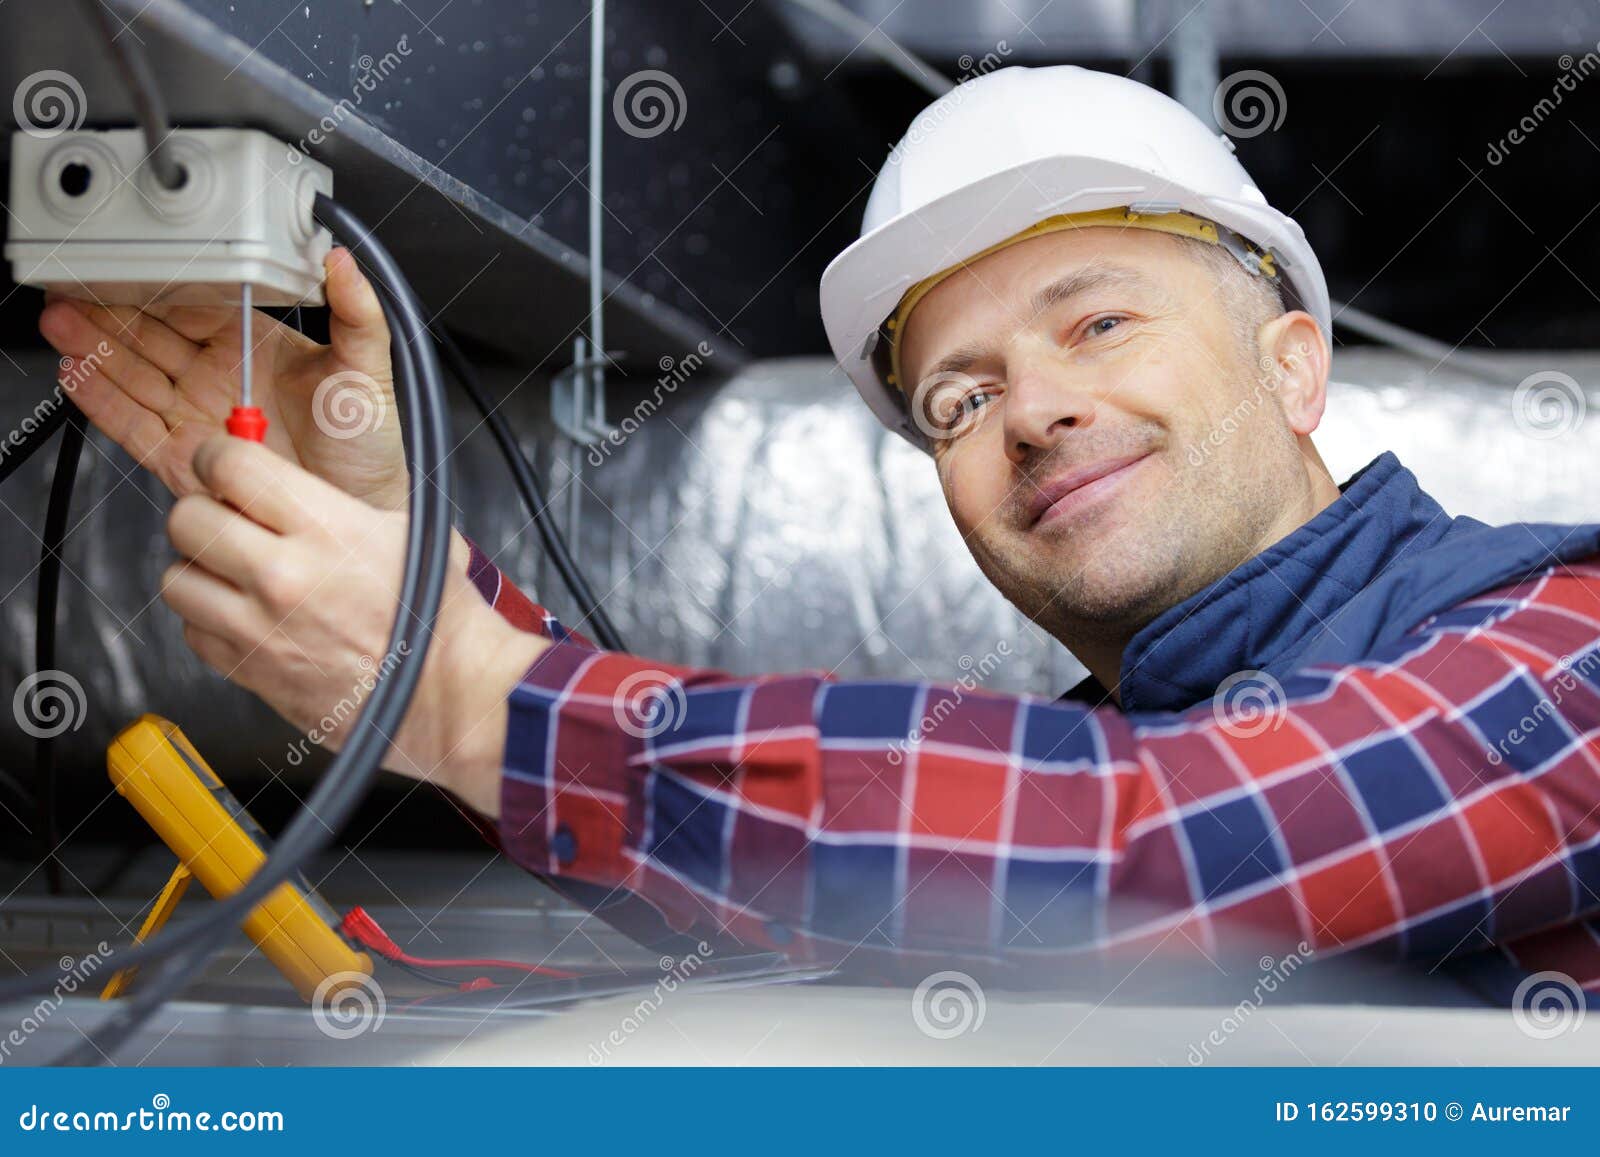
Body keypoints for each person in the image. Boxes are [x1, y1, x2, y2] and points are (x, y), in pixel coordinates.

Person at [36, 66, 1600, 1005]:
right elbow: (873, 878)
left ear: (1296, 362)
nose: (1033, 412)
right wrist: (425, 590)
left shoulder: (1562, 651)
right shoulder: (1085, 757)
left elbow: (1157, 848)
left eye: (1100, 320)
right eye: (958, 397)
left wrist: (466, 691)